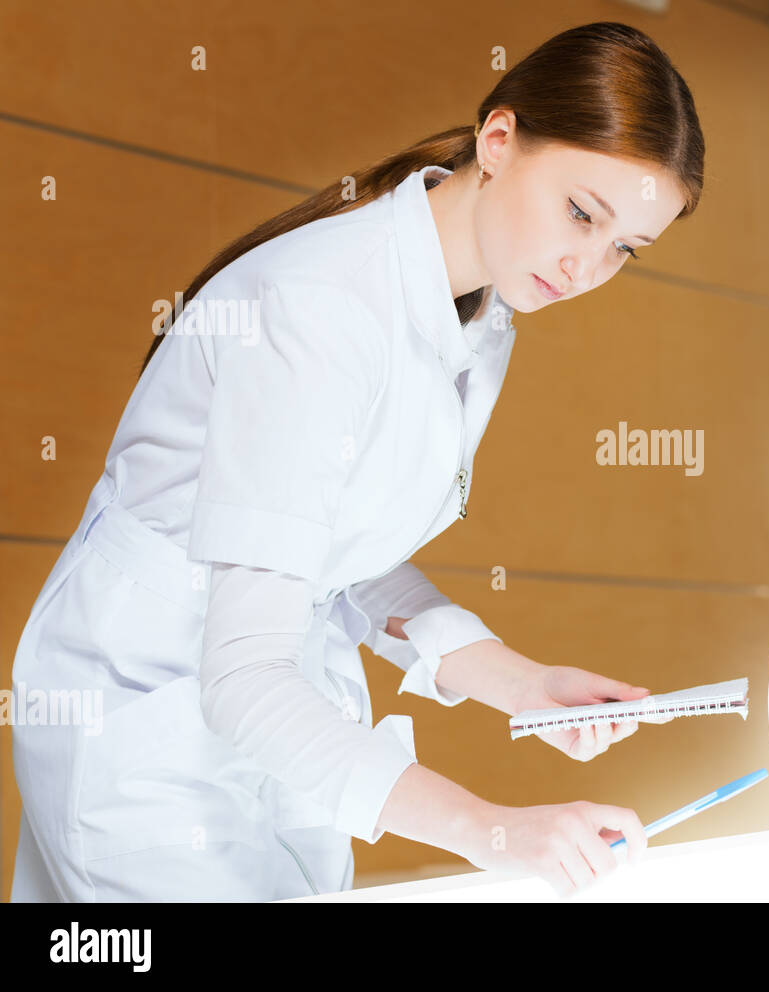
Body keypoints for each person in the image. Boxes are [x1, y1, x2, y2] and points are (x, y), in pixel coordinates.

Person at [9, 20, 705, 902]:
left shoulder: (483, 309)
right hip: (150, 726)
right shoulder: (321, 308)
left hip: (279, 723)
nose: (586, 265)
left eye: (624, 250)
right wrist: (497, 830)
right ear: (499, 140)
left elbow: (337, 553)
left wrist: (525, 683)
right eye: (581, 213)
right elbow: (245, 675)